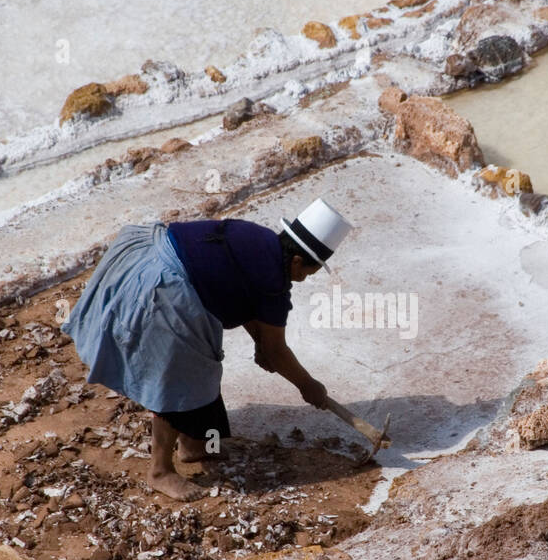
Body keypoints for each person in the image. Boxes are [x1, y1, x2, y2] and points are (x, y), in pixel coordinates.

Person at [61, 198, 352, 501]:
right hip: (162, 289)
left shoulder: (261, 239)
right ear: (296, 261)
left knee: (204, 369)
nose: (303, 279)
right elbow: (277, 349)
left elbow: (246, 300)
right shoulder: (274, 281)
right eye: (308, 272)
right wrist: (309, 386)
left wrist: (260, 343)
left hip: (149, 256)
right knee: (176, 379)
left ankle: (195, 446)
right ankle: (160, 471)